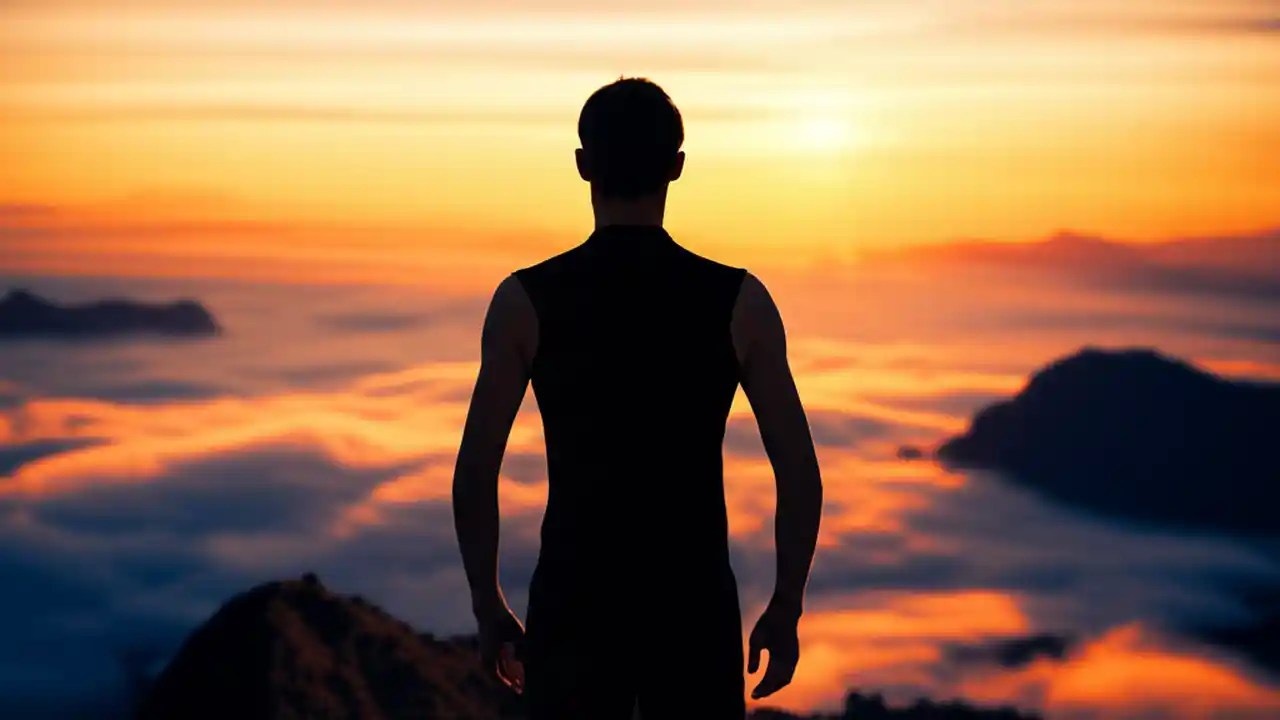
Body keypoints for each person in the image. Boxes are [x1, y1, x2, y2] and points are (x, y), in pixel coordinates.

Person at [452, 77, 823, 719]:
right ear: (677, 169)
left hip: (573, 603)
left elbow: (475, 473)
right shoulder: (741, 303)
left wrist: (489, 609)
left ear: (582, 166)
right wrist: (785, 606)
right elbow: (800, 476)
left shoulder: (523, 301)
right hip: (694, 608)